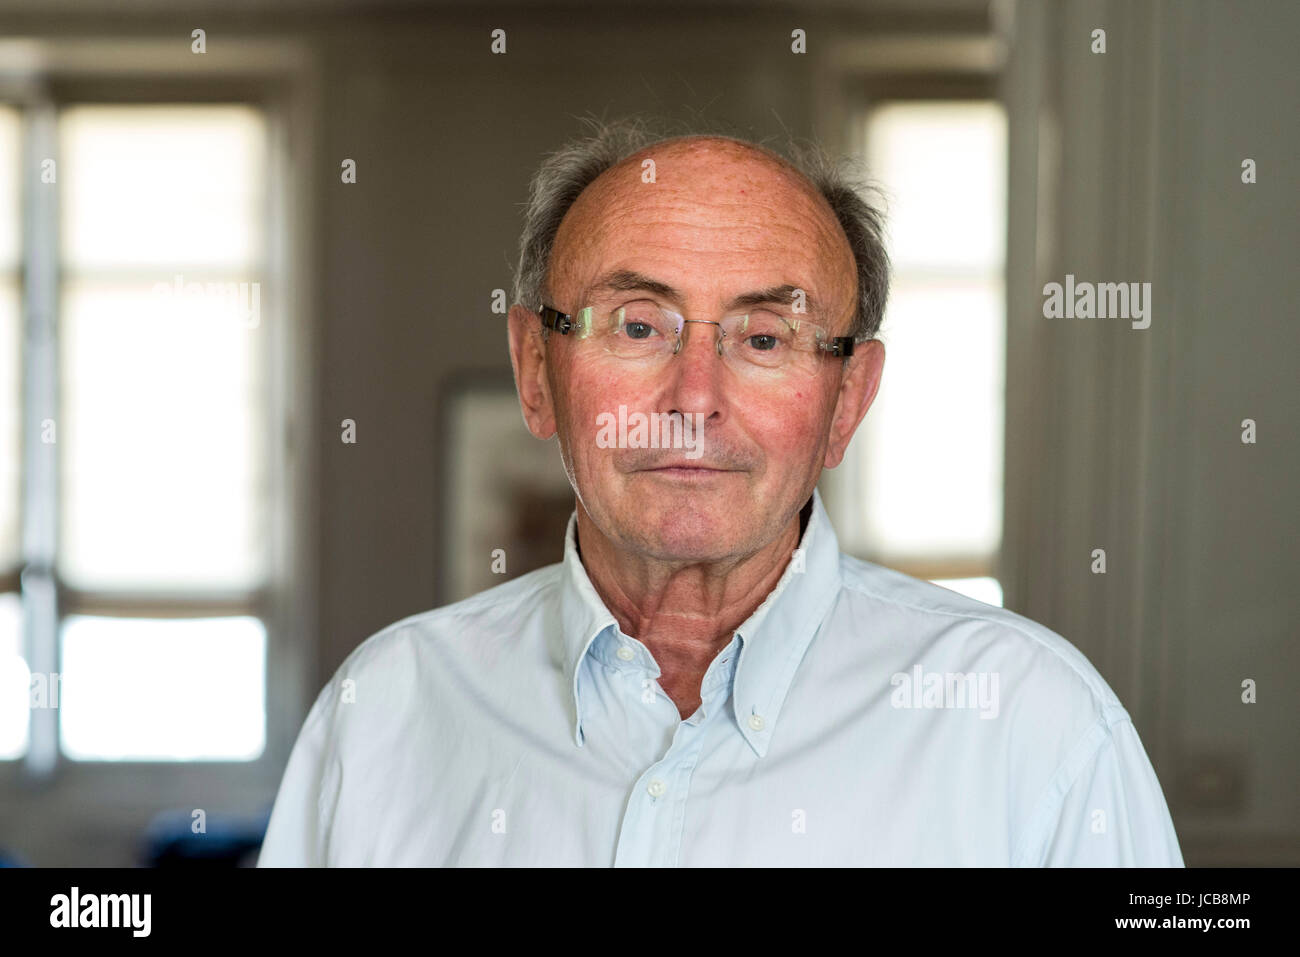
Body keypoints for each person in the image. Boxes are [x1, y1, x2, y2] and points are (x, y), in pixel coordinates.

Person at [258, 117, 1183, 866]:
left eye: (766, 337)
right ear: (536, 369)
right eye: (637, 324)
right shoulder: (380, 715)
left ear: (847, 400)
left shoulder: (1037, 727)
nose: (694, 400)